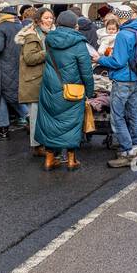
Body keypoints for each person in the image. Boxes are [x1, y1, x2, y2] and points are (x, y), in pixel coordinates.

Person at [34, 11, 95, 171]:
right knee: (71, 124)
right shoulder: (79, 43)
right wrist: (90, 91)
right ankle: (71, 160)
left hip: (50, 87)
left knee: (50, 122)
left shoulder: (49, 39)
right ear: (75, 25)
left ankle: (49, 159)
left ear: (58, 23)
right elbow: (86, 71)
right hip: (72, 88)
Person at [92, 5, 137, 169]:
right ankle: (135, 147)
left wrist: (99, 59)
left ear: (119, 16)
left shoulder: (123, 34)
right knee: (133, 113)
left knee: (117, 116)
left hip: (123, 79)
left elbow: (118, 61)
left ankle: (127, 151)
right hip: (135, 78)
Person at [18, 7, 55, 153]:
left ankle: (42, 143)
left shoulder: (48, 34)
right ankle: (37, 145)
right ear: (38, 20)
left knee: (43, 114)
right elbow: (30, 58)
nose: (49, 21)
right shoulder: (32, 36)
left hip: (44, 79)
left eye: (51, 18)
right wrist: (48, 53)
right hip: (34, 80)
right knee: (35, 115)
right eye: (46, 18)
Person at [0, 6, 25, 141]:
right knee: (10, 97)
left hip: (2, 68)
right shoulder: (19, 26)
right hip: (16, 66)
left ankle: (4, 130)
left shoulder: (1, 26)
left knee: (1, 98)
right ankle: (29, 120)